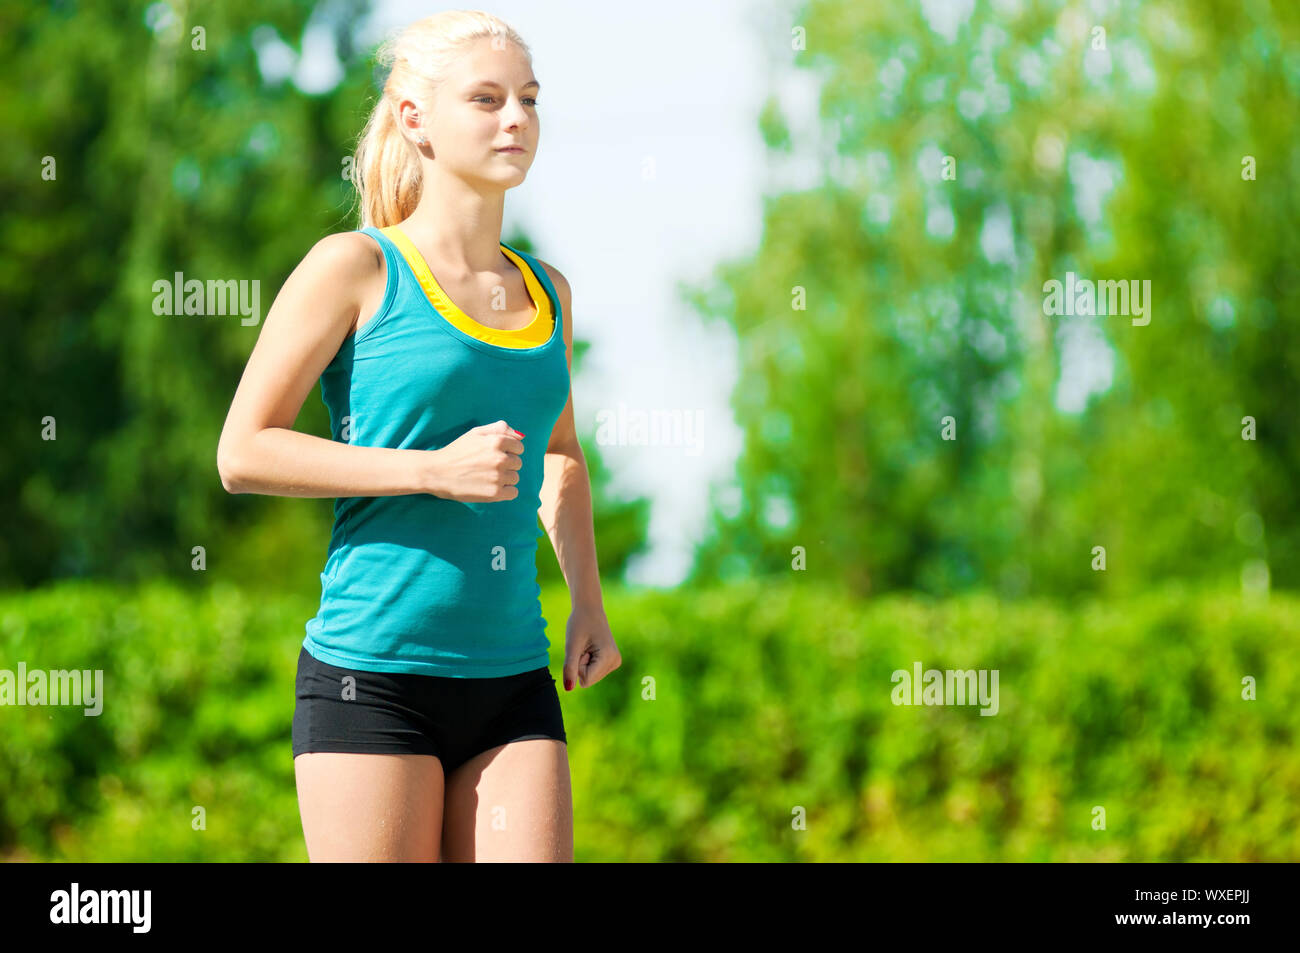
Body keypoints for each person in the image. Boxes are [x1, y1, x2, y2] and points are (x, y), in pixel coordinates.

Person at [216, 9, 619, 862]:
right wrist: (430, 470)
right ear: (415, 119)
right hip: (372, 677)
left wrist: (587, 597)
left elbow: (560, 456)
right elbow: (243, 450)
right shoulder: (354, 269)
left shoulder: (550, 294)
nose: (516, 118)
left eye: (529, 99)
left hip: (513, 677)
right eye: (486, 98)